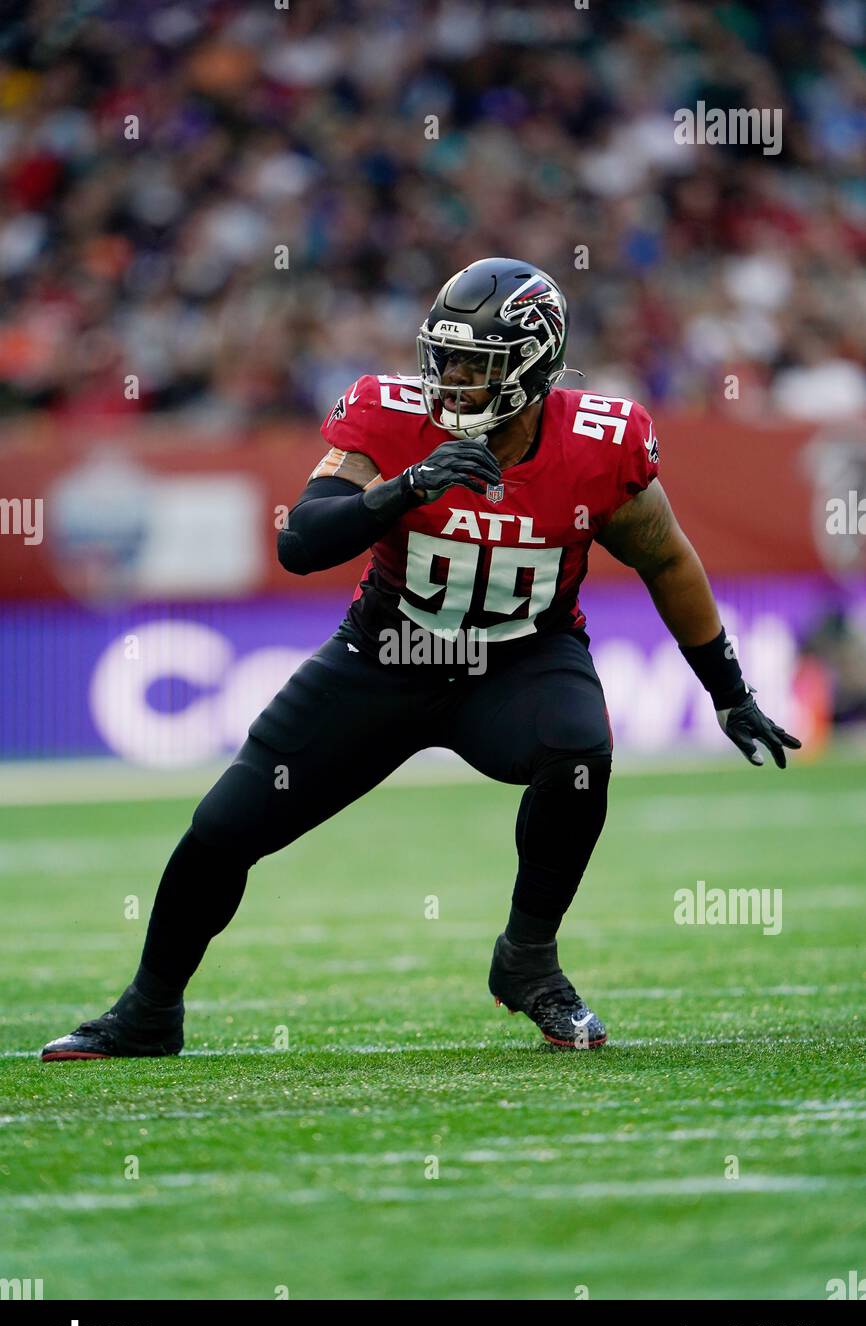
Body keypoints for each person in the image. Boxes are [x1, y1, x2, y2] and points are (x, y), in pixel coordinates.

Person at [41, 258, 800, 1060]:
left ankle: (528, 962)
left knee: (579, 747)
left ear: (535, 364)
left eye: (479, 362)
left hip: (522, 660)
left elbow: (667, 559)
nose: (454, 378)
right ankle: (149, 1010)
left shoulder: (599, 442)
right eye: (447, 356)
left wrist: (727, 690)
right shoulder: (392, 415)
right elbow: (300, 542)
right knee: (225, 826)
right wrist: (405, 487)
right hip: (385, 655)